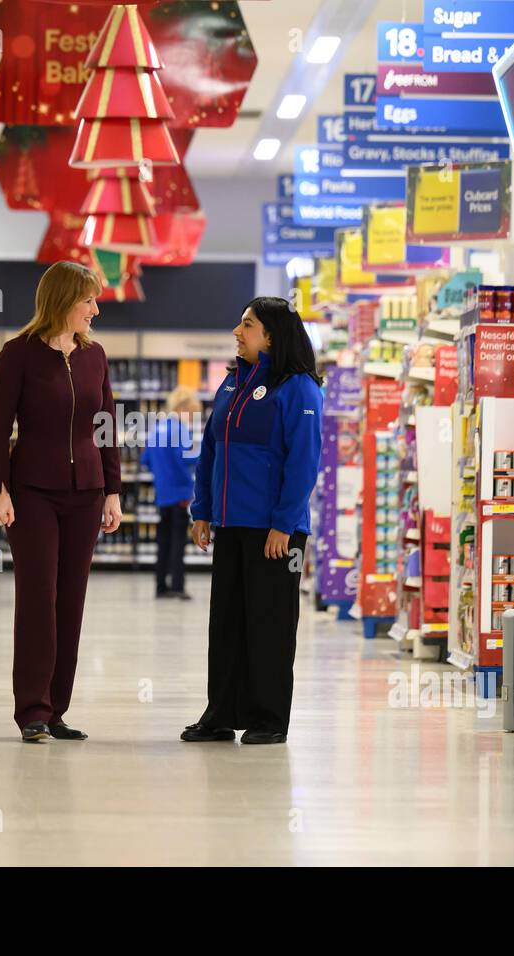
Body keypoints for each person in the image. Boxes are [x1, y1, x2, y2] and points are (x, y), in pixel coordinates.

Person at [0, 261, 123, 743]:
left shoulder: (95, 356)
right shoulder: (18, 353)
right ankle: (32, 710)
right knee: (37, 599)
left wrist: (113, 490)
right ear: (63, 301)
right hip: (33, 492)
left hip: (86, 494)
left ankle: (57, 709)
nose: (95, 309)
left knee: (71, 600)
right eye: (88, 300)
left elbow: (106, 425)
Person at [183, 296, 323, 745]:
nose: (236, 332)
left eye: (247, 324)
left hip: (275, 532)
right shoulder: (232, 384)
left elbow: (304, 461)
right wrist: (201, 510)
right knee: (225, 623)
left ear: (271, 335)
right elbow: (210, 451)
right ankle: (220, 714)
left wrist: (284, 524)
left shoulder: (298, 387)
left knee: (270, 624)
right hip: (229, 523)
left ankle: (269, 719)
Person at [141, 386, 201, 600]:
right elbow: (184, 458)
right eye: (193, 413)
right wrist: (204, 454)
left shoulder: (157, 428)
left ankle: (160, 585)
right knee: (178, 541)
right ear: (184, 408)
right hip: (180, 493)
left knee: (163, 540)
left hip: (162, 493)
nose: (193, 418)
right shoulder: (180, 429)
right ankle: (177, 585)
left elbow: (145, 460)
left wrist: (161, 473)